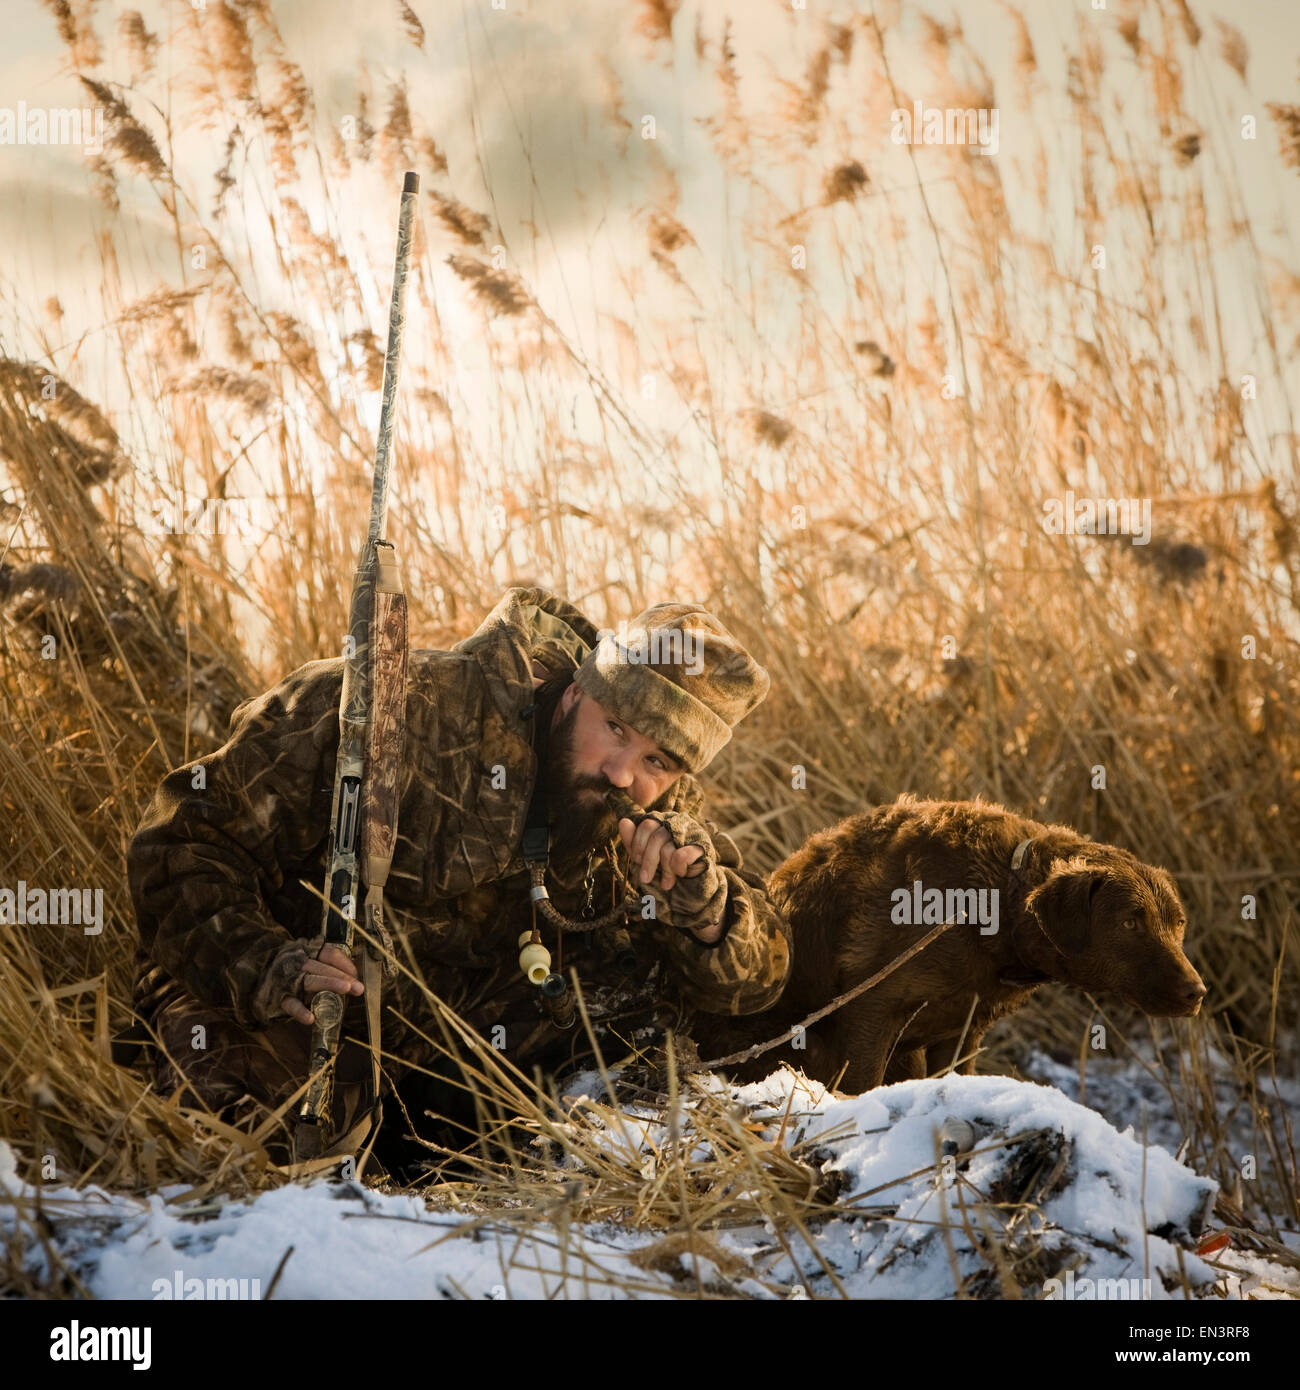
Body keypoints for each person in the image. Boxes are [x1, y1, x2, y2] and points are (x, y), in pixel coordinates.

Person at [122, 586, 791, 1170]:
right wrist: (268, 963)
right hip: (295, 1010)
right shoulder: (389, 705)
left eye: (658, 760)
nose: (622, 772)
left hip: (457, 1074)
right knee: (234, 1157)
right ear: (579, 689)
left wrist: (703, 914)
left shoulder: (657, 821)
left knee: (654, 1037)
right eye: (613, 727)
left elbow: (761, 979)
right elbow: (183, 839)